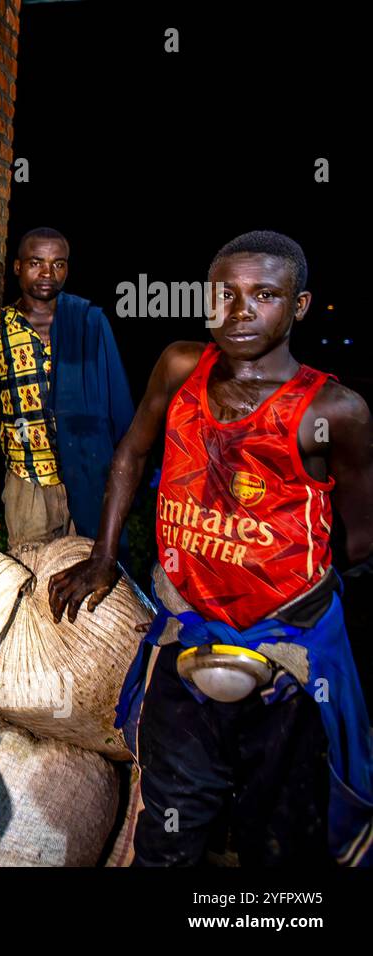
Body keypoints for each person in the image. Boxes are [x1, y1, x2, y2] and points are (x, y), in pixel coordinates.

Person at [49, 230, 372, 866]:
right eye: (225, 294)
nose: (240, 311)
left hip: (288, 656)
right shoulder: (179, 366)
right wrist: (103, 556)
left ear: (299, 307)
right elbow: (133, 453)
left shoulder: (332, 410)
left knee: (276, 839)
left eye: (265, 296)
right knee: (170, 832)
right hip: (186, 637)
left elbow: (359, 542)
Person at [0, 227, 134, 550]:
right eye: (37, 262)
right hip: (27, 481)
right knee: (31, 575)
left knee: (89, 577)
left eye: (58, 264)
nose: (48, 273)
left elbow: (116, 404)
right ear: (18, 267)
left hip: (89, 478)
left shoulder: (88, 322)